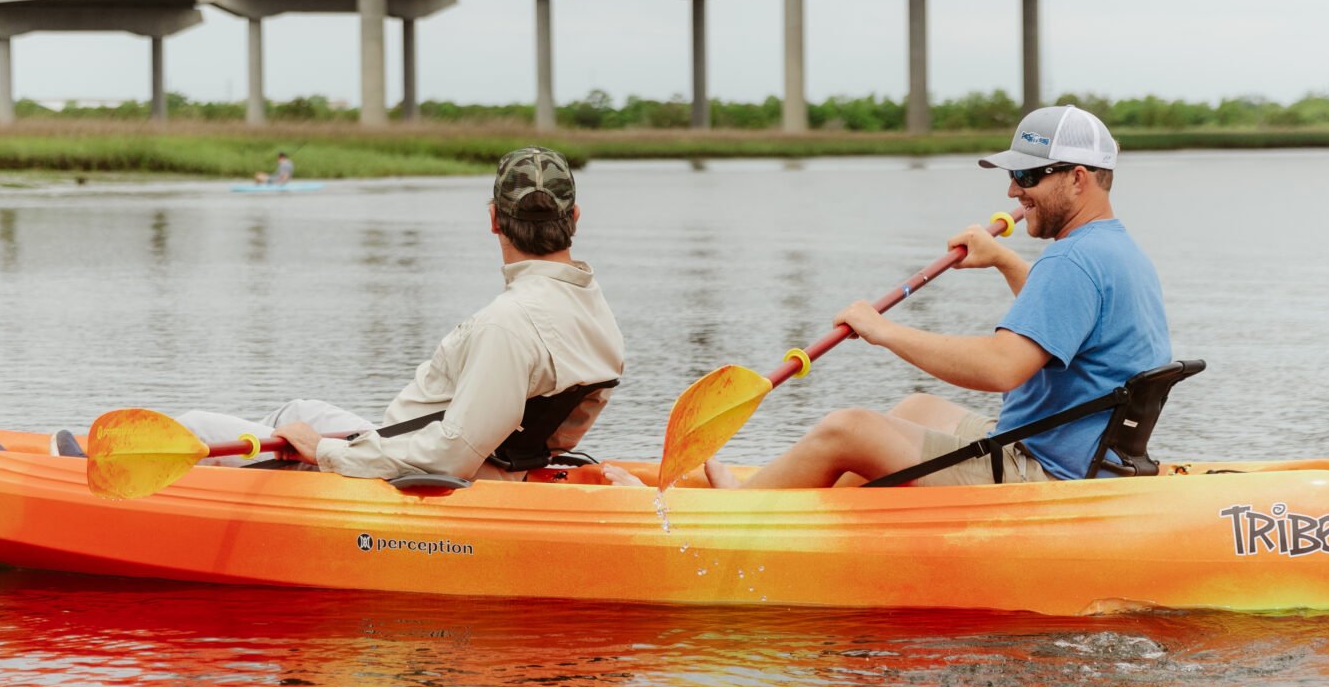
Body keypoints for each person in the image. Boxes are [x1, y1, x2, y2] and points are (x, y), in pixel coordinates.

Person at [710, 105, 1169, 489]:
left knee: (845, 428)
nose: (1013, 191)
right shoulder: (1112, 250)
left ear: (1078, 179)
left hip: (1043, 473)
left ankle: (736, 516)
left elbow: (1001, 367)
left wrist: (884, 331)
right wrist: (1004, 261)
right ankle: (820, 513)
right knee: (916, 408)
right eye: (1013, 175)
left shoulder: (1070, 261)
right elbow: (1064, 322)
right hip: (1073, 454)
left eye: (1027, 176)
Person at [176, 146, 627, 483]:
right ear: (576, 218)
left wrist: (326, 453)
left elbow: (455, 456)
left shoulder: (506, 324)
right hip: (434, 454)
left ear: (493, 219)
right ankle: (263, 482)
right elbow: (548, 432)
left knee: (193, 428)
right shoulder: (595, 311)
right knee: (300, 410)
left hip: (420, 479)